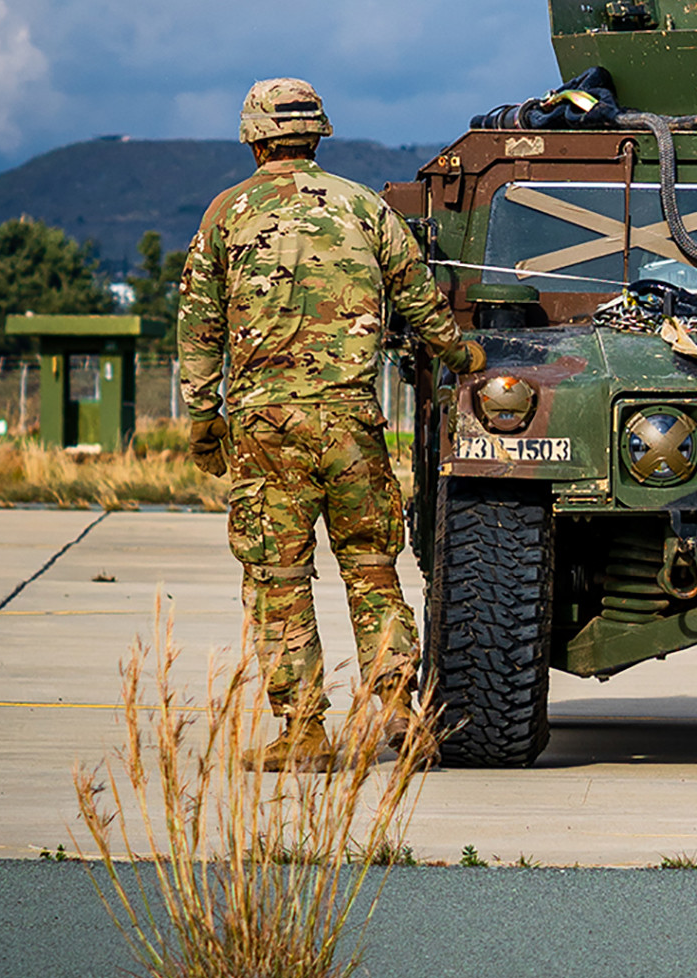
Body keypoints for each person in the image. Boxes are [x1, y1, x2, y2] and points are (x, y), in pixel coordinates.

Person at [179, 78, 484, 770]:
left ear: (254, 137)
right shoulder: (364, 208)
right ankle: (398, 709)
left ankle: (304, 732)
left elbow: (198, 324)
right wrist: (461, 354)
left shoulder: (226, 213)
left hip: (265, 428)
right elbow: (420, 300)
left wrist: (203, 418)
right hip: (352, 422)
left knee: (279, 578)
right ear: (320, 134)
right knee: (372, 568)